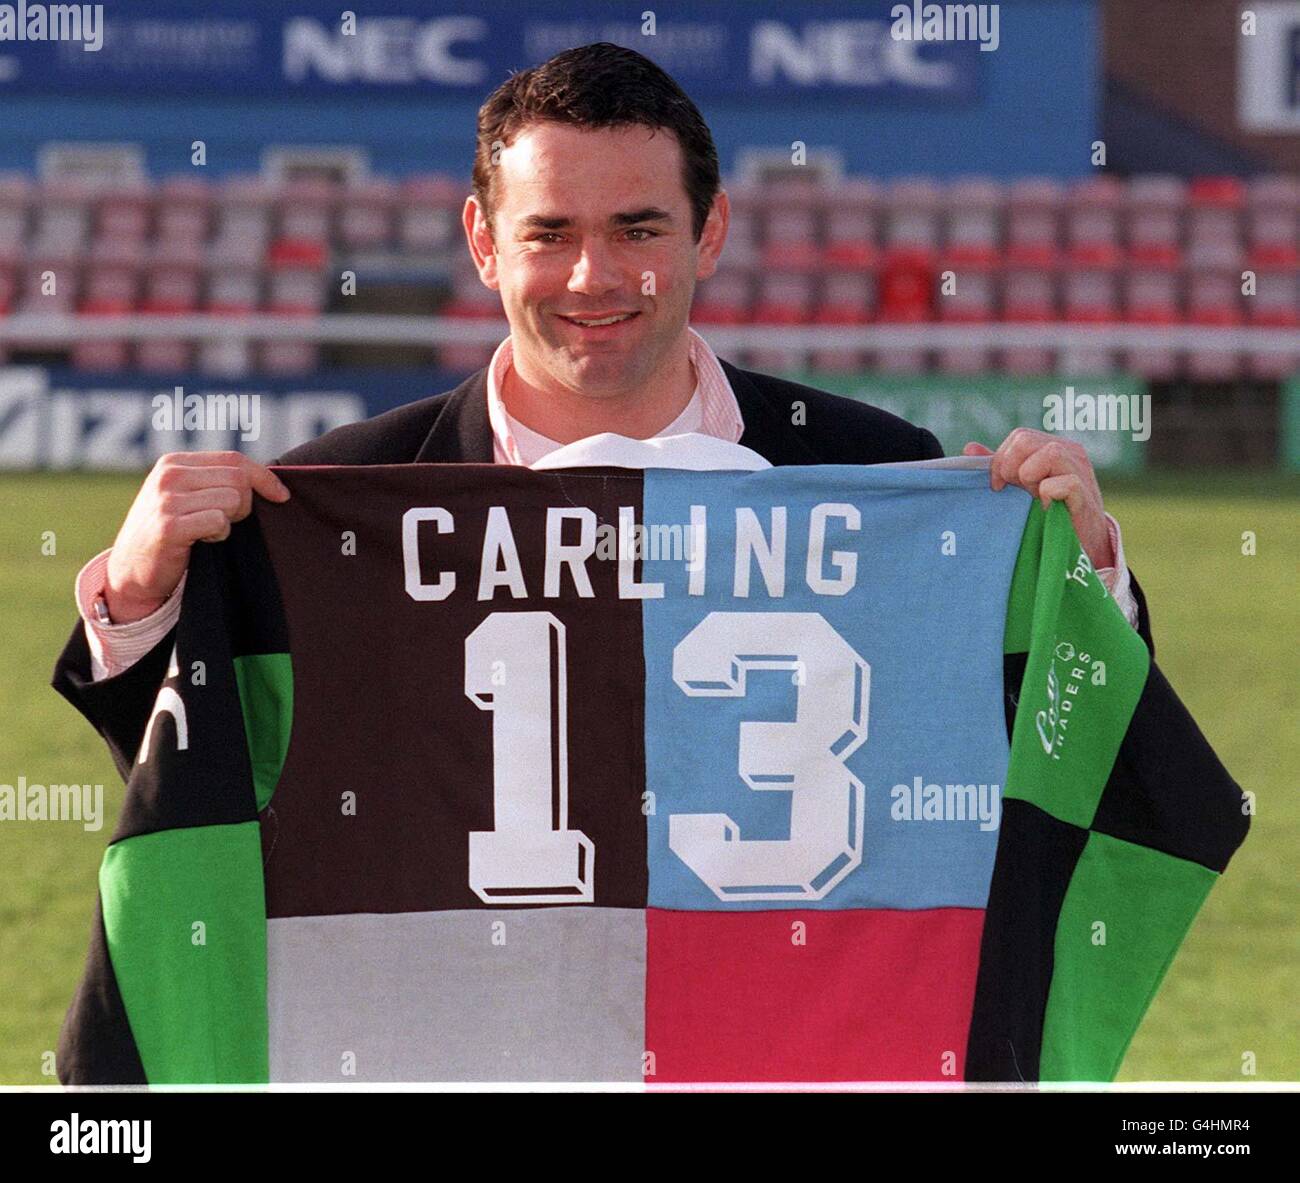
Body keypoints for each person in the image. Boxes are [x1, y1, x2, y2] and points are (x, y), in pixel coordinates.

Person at [52, 42, 1151, 776]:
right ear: (483, 243)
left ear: (708, 234)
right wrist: (145, 594)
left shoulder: (880, 475)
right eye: (548, 233)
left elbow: (1045, 760)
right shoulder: (336, 498)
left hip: (773, 1043)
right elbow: (196, 789)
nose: (593, 278)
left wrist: (1081, 578)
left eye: (637, 229)